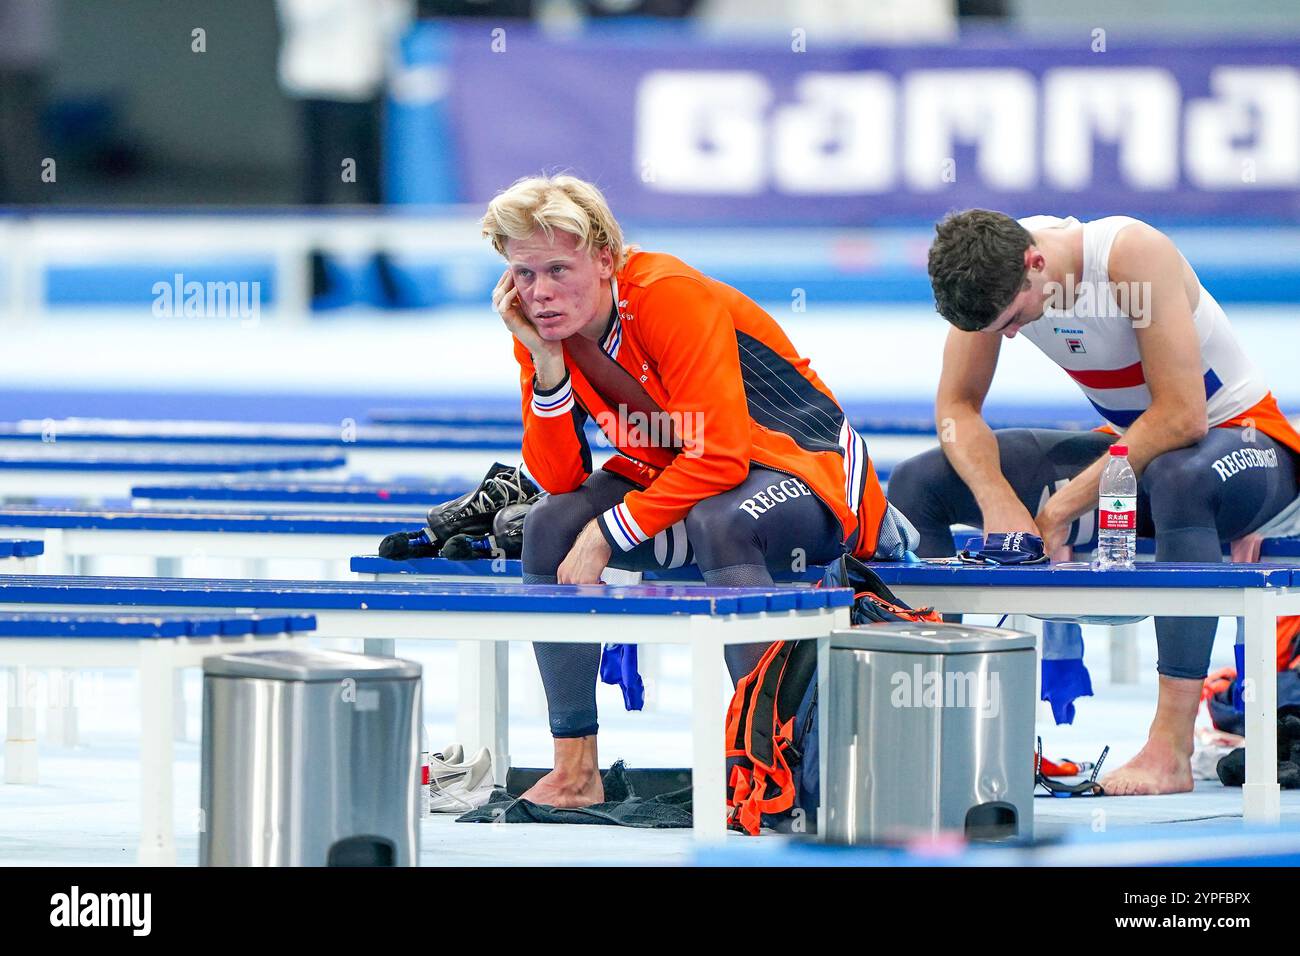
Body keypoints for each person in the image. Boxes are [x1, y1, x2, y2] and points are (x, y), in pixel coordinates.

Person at [482, 174, 915, 807]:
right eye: (523, 274)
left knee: (721, 522)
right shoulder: (544, 326)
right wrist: (546, 367)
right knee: (549, 524)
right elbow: (559, 478)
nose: (540, 293)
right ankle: (576, 773)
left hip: (802, 470)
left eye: (556, 269)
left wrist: (609, 532)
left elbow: (719, 454)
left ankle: (772, 764)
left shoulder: (666, 294)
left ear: (605, 258)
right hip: (689, 477)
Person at [888, 209, 1300, 795]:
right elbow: (957, 409)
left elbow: (1182, 416)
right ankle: (936, 732)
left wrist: (1060, 509)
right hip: (1143, 460)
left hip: (1246, 451)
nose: (1007, 336)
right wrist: (996, 498)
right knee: (918, 483)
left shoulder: (1131, 255)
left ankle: (1171, 750)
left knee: (1182, 478)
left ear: (1036, 264)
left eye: (1012, 321)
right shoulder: (989, 272)